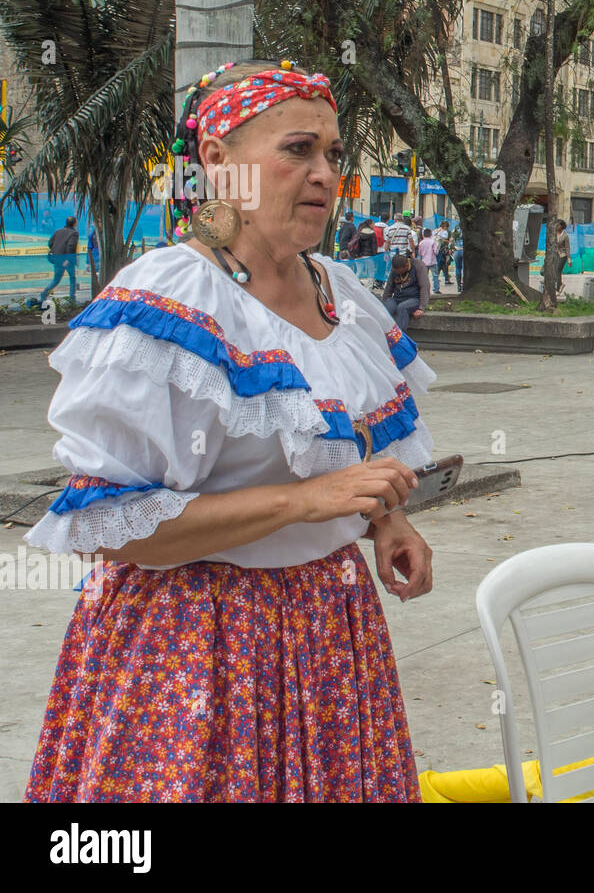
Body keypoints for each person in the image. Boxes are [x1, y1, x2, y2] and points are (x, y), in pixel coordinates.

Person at [22, 59, 435, 802]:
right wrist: (307, 501)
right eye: (298, 149)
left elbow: (348, 449)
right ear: (218, 159)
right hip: (197, 644)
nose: (324, 174)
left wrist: (385, 517)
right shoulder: (166, 303)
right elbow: (114, 527)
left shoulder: (343, 295)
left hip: (331, 636)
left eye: (334, 155)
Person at [382, 251, 430, 333]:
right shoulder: (395, 269)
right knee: (387, 308)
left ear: (406, 266)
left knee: (401, 308)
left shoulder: (418, 265)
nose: (397, 273)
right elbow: (389, 288)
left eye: (399, 271)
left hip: (413, 299)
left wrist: (422, 308)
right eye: (395, 271)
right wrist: (383, 302)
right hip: (397, 298)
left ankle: (399, 336)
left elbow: (425, 287)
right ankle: (384, 333)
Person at [39, 217, 79, 307]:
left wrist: (56, 251)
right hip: (67, 259)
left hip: (56, 258)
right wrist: (68, 259)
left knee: (56, 280)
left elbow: (50, 243)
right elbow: (71, 246)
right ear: (74, 223)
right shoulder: (74, 233)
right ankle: (72, 299)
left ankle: (44, 294)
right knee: (72, 278)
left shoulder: (58, 231)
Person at [417, 227, 440, 295]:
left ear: (423, 235)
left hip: (424, 262)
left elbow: (420, 253)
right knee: (435, 276)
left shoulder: (421, 243)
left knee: (424, 277)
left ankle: (425, 289)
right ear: (430, 234)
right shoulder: (433, 242)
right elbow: (436, 252)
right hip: (433, 261)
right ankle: (436, 289)